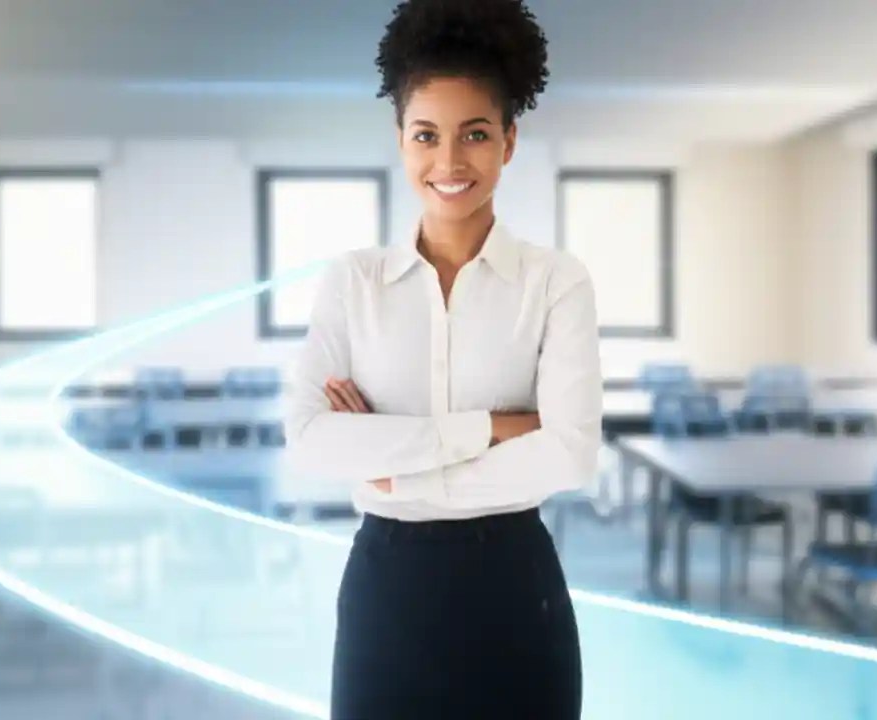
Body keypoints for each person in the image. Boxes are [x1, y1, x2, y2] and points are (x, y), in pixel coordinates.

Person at [283, 0, 601, 717]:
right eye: (427, 135)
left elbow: (572, 455)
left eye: (476, 135)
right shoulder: (353, 282)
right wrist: (491, 427)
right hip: (387, 596)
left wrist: (396, 467)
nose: (450, 162)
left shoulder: (556, 282)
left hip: (516, 594)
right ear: (401, 140)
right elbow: (308, 439)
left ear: (510, 141)